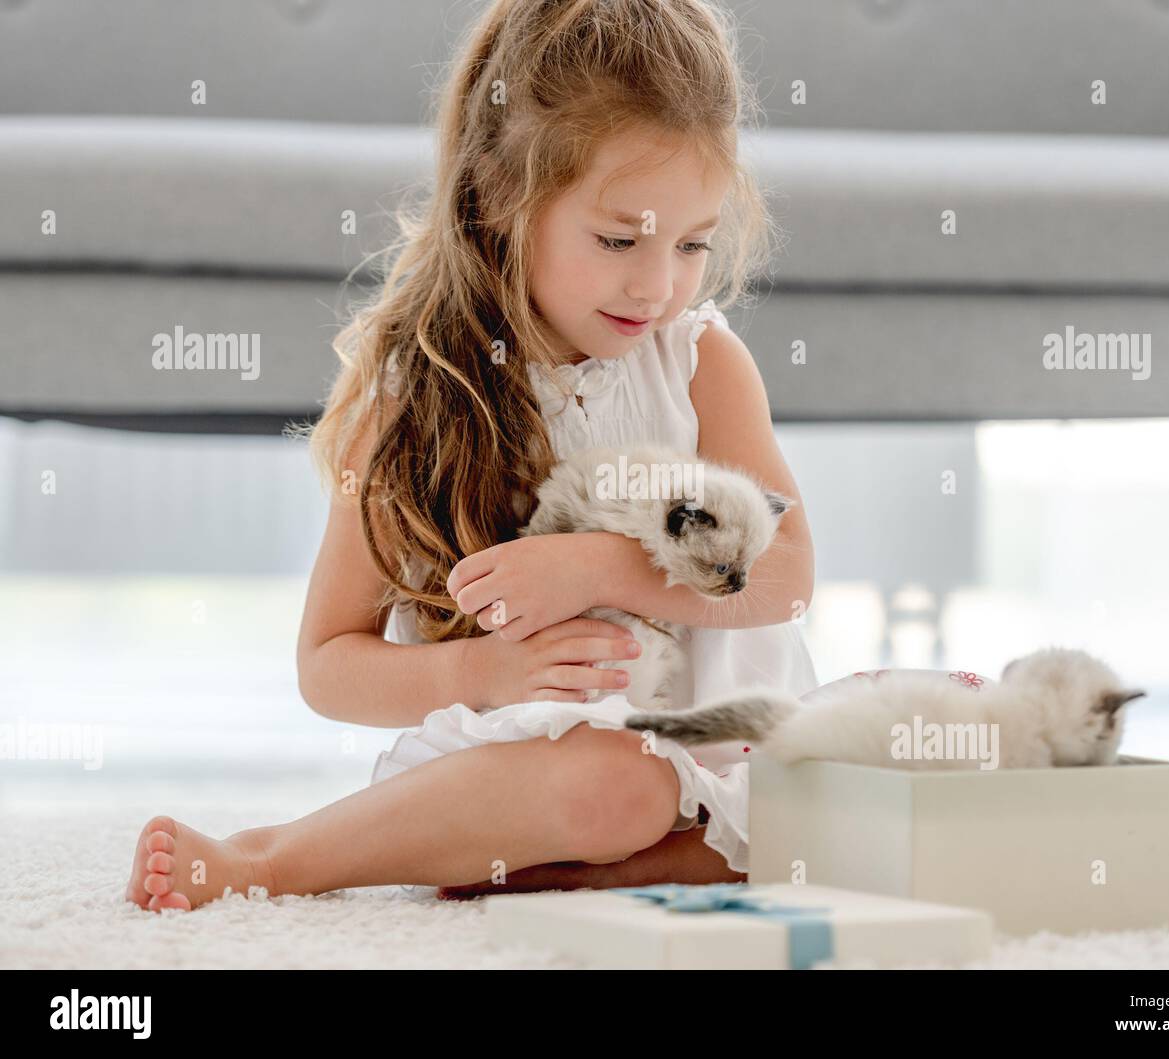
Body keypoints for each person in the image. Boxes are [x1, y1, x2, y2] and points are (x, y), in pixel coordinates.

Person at [124, 0, 817, 913]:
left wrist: (603, 567)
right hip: (538, 759)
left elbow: (786, 579)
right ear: (500, 192)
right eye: (619, 239)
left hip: (721, 751)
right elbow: (329, 662)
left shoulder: (701, 367)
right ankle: (272, 859)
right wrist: (482, 674)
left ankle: (545, 864)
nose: (658, 284)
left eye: (693, 243)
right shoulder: (415, 397)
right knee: (620, 787)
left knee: (837, 814)